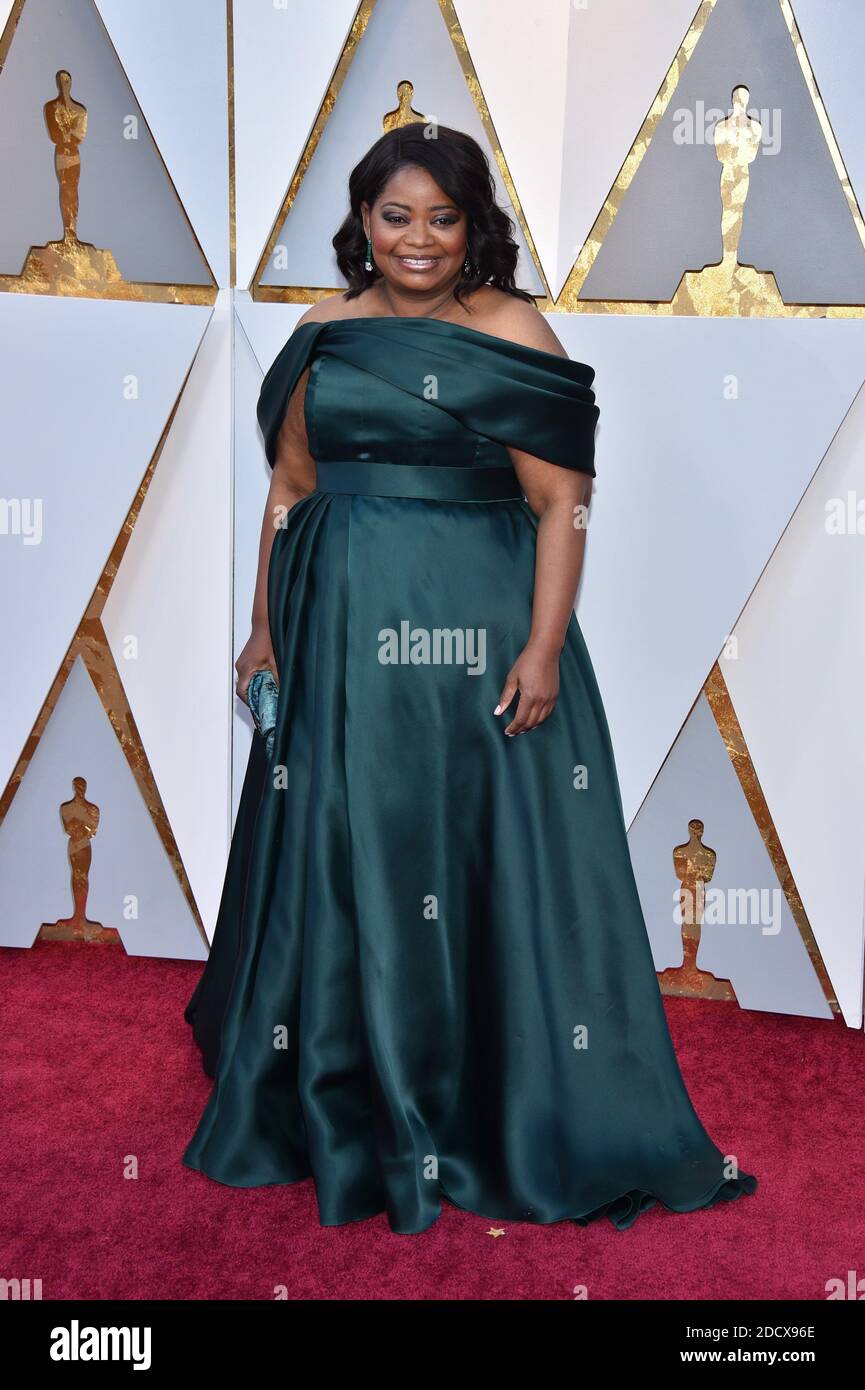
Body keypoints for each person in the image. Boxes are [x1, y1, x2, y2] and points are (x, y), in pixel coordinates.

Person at [182, 123, 757, 1233]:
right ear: (360, 223)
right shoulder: (320, 331)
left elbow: (558, 502)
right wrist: (263, 626)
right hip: (339, 631)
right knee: (351, 842)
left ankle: (487, 1095)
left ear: (471, 226)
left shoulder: (509, 327)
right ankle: (337, 1084)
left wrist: (542, 646)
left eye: (441, 217)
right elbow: (292, 489)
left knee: (469, 849)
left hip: (480, 637)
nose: (417, 238)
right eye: (395, 215)